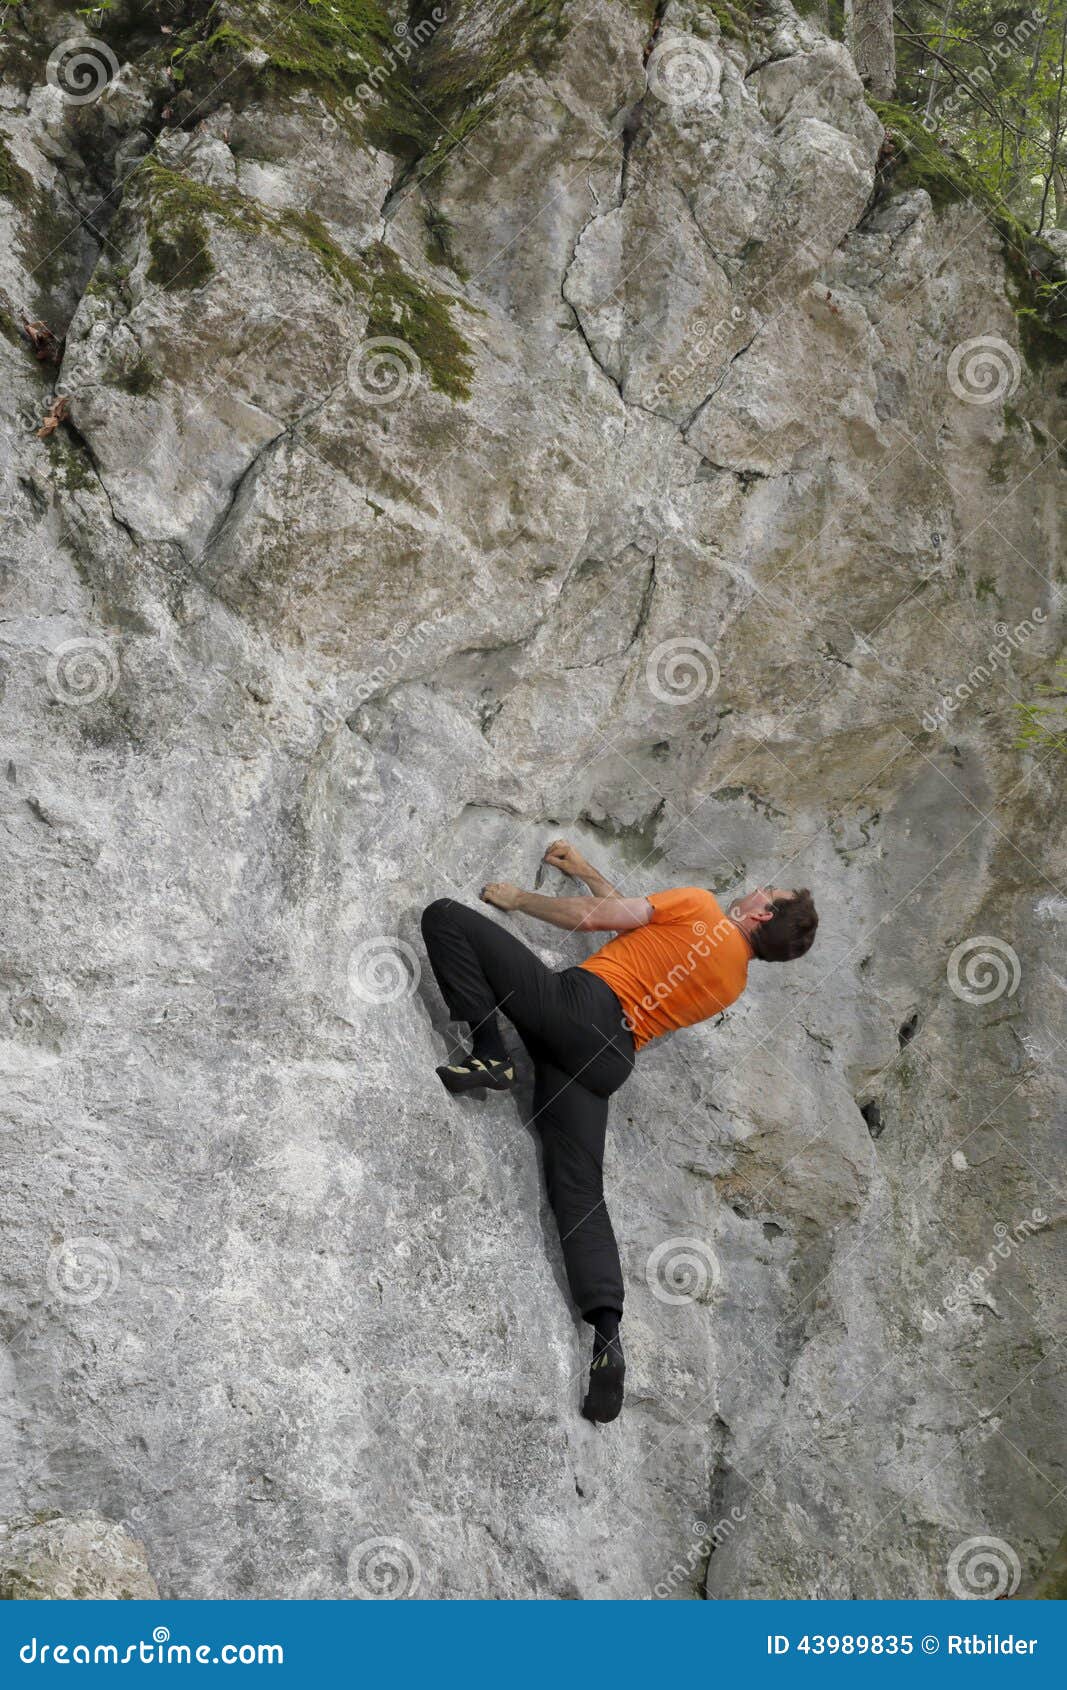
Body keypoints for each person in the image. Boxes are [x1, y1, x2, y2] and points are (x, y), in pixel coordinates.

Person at [419, 840, 818, 1424]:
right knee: (579, 1192)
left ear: (760, 914)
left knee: (445, 916)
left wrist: (519, 899)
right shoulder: (732, 980)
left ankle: (489, 1051)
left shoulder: (702, 905)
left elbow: (594, 921)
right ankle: (606, 1334)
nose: (759, 888)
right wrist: (586, 872)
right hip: (606, 1059)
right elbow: (636, 928)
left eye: (768, 893)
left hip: (578, 1006)